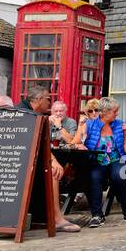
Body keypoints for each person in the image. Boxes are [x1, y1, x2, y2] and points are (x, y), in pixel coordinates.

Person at [20, 86, 81, 233]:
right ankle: (56, 219)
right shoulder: (29, 115)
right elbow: (34, 144)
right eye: (48, 99)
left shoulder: (29, 112)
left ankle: (43, 216)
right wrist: (52, 160)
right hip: (17, 162)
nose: (49, 103)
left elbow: (40, 143)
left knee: (53, 167)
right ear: (39, 99)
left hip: (20, 160)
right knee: (53, 171)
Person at [80, 96, 126, 227]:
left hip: (116, 159)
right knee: (94, 177)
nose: (117, 113)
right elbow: (78, 141)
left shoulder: (119, 125)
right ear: (104, 112)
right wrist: (80, 144)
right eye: (114, 111)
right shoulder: (90, 125)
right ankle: (97, 215)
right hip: (96, 161)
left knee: (122, 173)